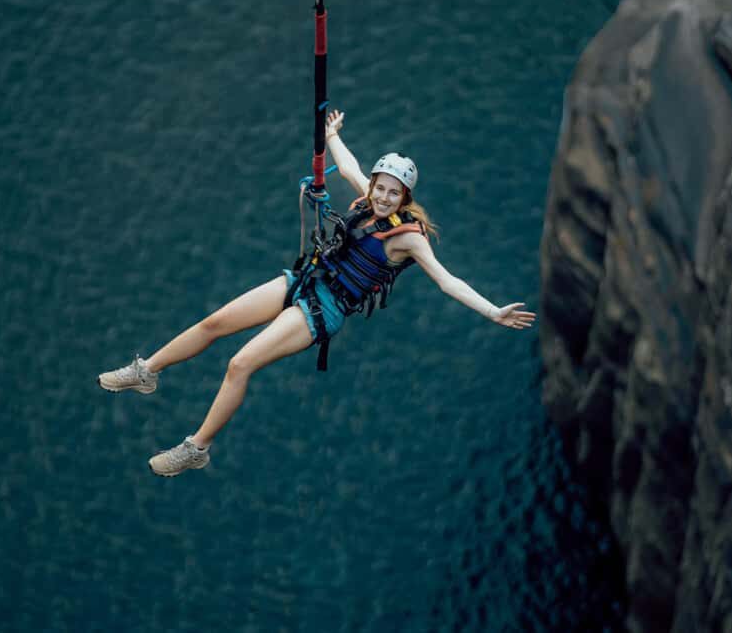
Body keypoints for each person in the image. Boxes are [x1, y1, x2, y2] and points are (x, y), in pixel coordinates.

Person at [98, 109, 536, 477]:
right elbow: (346, 167)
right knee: (213, 324)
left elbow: (447, 280)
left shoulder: (408, 238)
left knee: (239, 363)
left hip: (323, 307)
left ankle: (197, 448)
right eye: (379, 187)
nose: (382, 196)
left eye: (392, 192)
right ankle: (147, 371)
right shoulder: (366, 199)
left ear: (404, 197)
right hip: (305, 278)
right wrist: (331, 135)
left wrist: (492, 311)